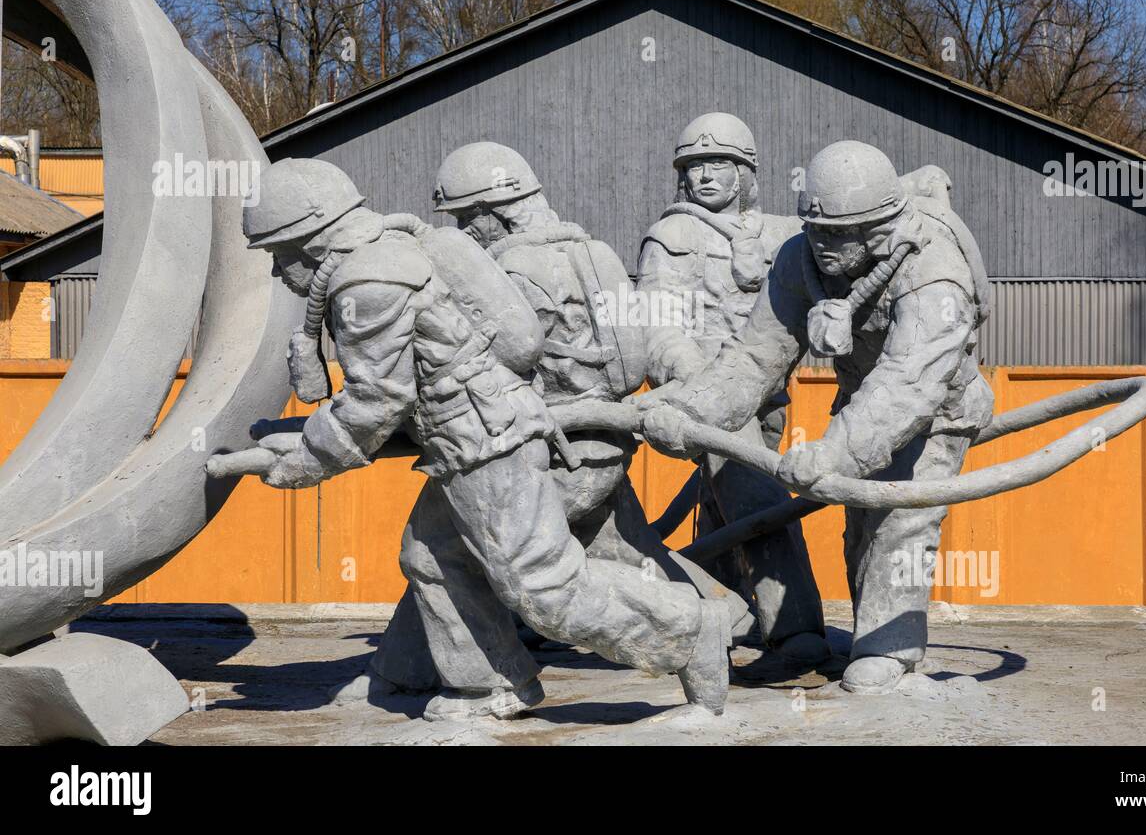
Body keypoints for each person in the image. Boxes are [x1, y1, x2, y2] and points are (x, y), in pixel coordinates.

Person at [221, 157, 733, 718]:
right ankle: (490, 685)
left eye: (275, 252)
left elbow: (376, 400)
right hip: (471, 439)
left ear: (306, 237)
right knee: (434, 557)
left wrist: (302, 461)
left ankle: (690, 633)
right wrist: (303, 437)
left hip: (486, 445)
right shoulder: (394, 248)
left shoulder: (369, 281)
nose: (276, 270)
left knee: (543, 586)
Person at [637, 140, 993, 694]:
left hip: (937, 407)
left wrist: (832, 453)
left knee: (902, 520)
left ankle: (890, 655)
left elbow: (908, 384)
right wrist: (687, 410)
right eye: (817, 232)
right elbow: (756, 357)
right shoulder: (800, 259)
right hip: (861, 404)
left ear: (876, 229)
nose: (823, 247)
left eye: (838, 236)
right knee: (861, 531)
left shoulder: (933, 269)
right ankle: (863, 639)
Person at [636, 112, 828, 663]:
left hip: (772, 397)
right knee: (753, 494)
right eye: (693, 166)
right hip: (714, 395)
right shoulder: (673, 234)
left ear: (746, 170)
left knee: (726, 507)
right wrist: (698, 383)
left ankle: (716, 614)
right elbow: (659, 322)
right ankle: (797, 632)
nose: (704, 176)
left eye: (718, 163)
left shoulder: (782, 234)